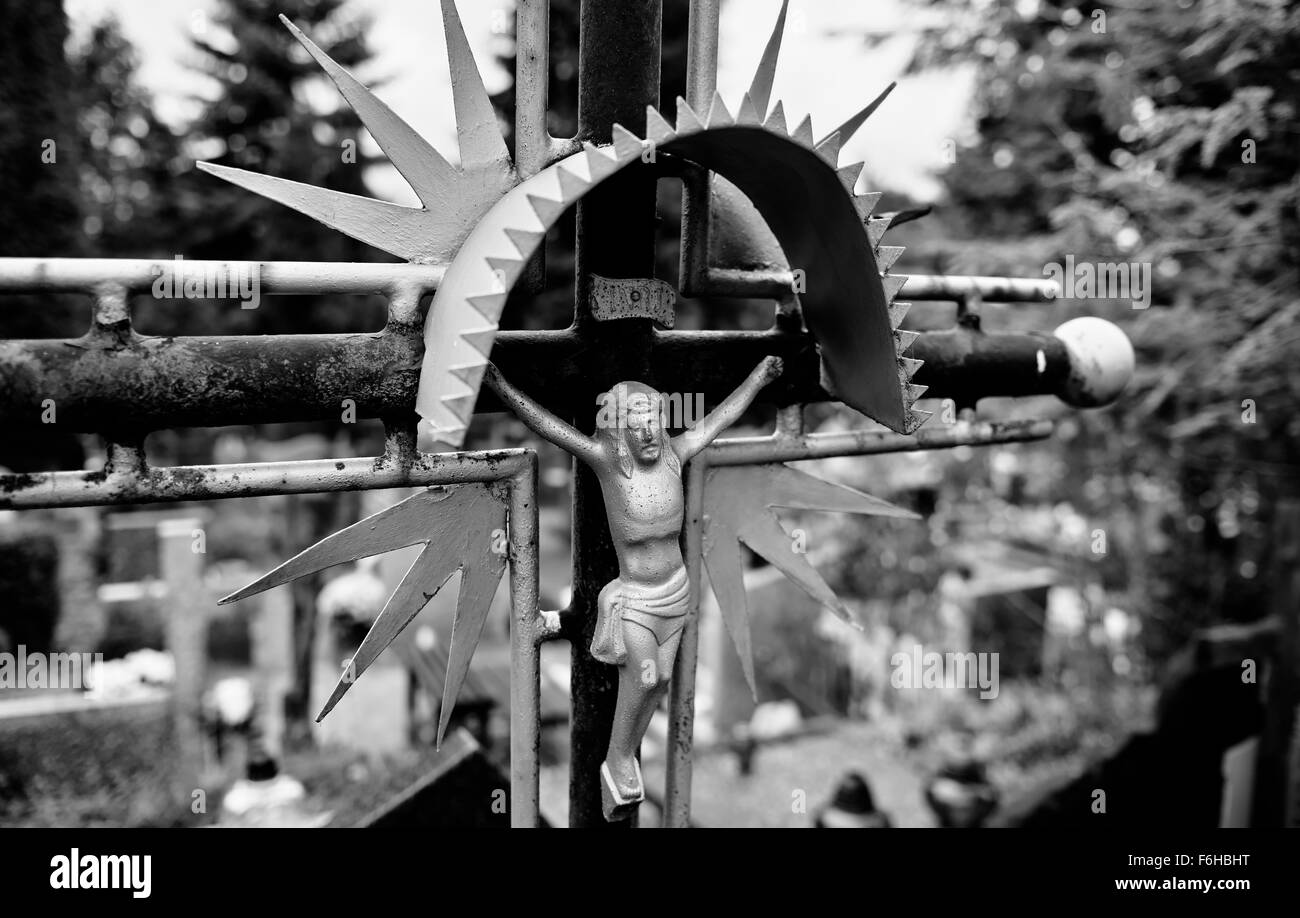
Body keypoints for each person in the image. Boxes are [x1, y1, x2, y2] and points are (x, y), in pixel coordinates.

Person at [484, 355, 783, 819]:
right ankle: (618, 758)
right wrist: (502, 387)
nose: (646, 434)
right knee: (645, 675)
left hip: (678, 591)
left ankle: (624, 759)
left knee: (660, 680)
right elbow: (550, 428)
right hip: (637, 599)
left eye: (653, 423)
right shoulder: (607, 464)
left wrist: (759, 379)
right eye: (635, 426)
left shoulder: (676, 456)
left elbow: (723, 416)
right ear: (619, 431)